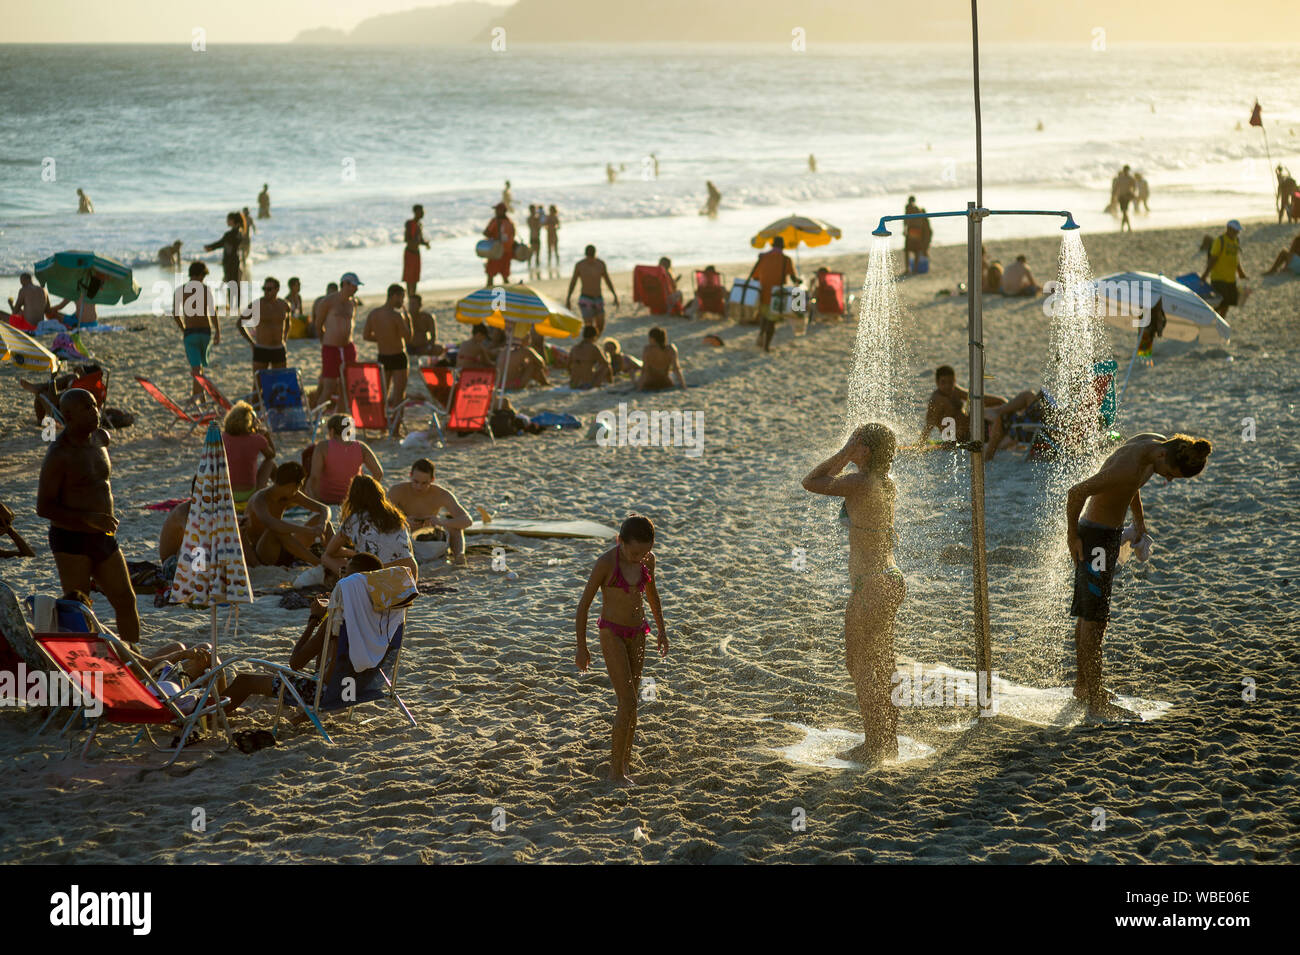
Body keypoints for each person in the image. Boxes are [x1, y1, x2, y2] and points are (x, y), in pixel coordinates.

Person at [1065, 433, 1212, 720]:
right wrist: (1072, 536)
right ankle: (1095, 699)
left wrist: (1138, 520)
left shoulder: (1152, 445)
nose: (1168, 480)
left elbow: (1131, 487)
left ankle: (1083, 687)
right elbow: (1076, 492)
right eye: (1170, 474)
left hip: (1105, 536)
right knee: (1094, 621)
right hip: (1094, 538)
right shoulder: (1129, 466)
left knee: (1091, 616)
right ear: (1162, 458)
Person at [802, 424, 905, 763]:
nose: (849, 443)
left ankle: (874, 745)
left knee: (859, 662)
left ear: (866, 450)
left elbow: (811, 481)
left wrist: (843, 454)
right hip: (889, 579)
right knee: (883, 662)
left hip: (871, 584)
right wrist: (851, 453)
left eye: (856, 441)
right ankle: (887, 742)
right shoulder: (886, 482)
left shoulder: (860, 483)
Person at [220, 552, 383, 715]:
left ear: (352, 582)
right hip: (354, 690)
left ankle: (210, 716)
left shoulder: (339, 620)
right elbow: (326, 663)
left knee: (244, 681)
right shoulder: (382, 618)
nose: (340, 575)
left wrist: (314, 620)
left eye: (344, 572)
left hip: (324, 694)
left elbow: (296, 663)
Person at [36, 389, 139, 644]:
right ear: (69, 416)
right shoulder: (59, 453)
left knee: (126, 600)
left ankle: (133, 662)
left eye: (94, 405)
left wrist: (98, 522)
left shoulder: (100, 438)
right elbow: (43, 507)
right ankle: (86, 669)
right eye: (87, 408)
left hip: (103, 535)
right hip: (71, 539)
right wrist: (89, 519)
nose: (95, 411)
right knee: (80, 610)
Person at [574, 515, 668, 785]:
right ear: (620, 541)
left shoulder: (647, 560)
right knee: (626, 701)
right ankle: (615, 772)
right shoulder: (606, 563)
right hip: (611, 633)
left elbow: (652, 593)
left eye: (645, 552)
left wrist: (661, 630)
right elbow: (583, 607)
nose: (639, 558)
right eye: (634, 552)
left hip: (639, 633)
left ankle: (625, 764)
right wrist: (582, 648)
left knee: (633, 703)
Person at [321, 475, 416, 581]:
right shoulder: (395, 515)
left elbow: (330, 551)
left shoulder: (354, 520)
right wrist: (354, 553)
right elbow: (408, 550)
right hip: (410, 575)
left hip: (379, 579)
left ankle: (344, 578)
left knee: (325, 558)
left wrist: (350, 553)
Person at [245, 462, 332, 567]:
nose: (298, 490)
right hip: (264, 553)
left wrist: (321, 525)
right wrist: (309, 530)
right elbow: (272, 524)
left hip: (286, 548)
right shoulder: (260, 500)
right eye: (298, 487)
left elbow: (324, 508)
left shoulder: (291, 494)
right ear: (292, 486)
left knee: (322, 521)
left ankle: (335, 556)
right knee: (276, 530)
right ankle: (321, 564)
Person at [388, 459, 473, 560]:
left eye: (424, 483)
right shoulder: (397, 490)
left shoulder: (441, 494)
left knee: (455, 528)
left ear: (432, 480)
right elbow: (380, 516)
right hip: (404, 535)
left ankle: (459, 556)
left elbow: (467, 521)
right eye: (415, 481)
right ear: (410, 475)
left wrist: (441, 522)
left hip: (430, 536)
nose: (419, 487)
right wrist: (403, 521)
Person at [919, 365, 1008, 445]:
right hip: (963, 438)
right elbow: (929, 424)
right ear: (937, 383)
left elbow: (974, 398)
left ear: (955, 381)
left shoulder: (954, 390)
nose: (947, 386)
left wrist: (999, 401)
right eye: (943, 382)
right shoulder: (936, 400)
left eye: (950, 382)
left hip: (973, 429)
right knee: (999, 421)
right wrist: (920, 444)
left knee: (999, 405)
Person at [307, 413, 384, 506]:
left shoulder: (323, 447)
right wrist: (365, 493)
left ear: (332, 431)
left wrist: (316, 500)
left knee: (307, 483)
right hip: (353, 499)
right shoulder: (361, 447)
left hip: (326, 499)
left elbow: (315, 477)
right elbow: (378, 473)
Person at [313, 272, 363, 412]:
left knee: (346, 385)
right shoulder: (328, 301)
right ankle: (317, 418)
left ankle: (340, 415)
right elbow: (318, 324)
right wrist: (324, 340)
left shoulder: (353, 302)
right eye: (354, 286)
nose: (356, 289)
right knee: (329, 385)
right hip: (331, 347)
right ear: (345, 284)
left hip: (348, 346)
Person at [172, 261, 220, 404]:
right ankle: (199, 396)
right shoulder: (206, 290)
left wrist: (183, 328)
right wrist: (218, 331)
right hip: (206, 332)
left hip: (191, 332)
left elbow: (175, 313)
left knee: (196, 367)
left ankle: (197, 396)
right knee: (198, 367)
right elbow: (213, 312)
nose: (203, 279)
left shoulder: (180, 290)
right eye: (203, 276)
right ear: (199, 275)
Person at [363, 284, 414, 412]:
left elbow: (366, 336)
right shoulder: (396, 316)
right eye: (402, 298)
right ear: (394, 296)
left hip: (383, 357)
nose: (402, 302)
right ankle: (395, 429)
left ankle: (383, 426)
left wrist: (382, 338)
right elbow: (408, 338)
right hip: (398, 356)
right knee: (398, 396)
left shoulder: (373, 314)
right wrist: (409, 321)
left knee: (382, 395)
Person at [221, 401, 276, 511]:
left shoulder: (223, 437)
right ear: (250, 422)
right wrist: (266, 435)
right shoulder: (257, 439)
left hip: (226, 493)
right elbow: (271, 455)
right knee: (270, 464)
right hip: (250, 495)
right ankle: (285, 490)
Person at [748, 236, 799, 352]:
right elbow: (792, 277)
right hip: (776, 295)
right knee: (771, 321)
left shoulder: (763, 257)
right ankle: (766, 346)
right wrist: (798, 281)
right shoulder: (786, 259)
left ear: (772, 245)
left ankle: (761, 336)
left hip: (762, 293)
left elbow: (755, 277)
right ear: (783, 246)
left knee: (764, 317)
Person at [239, 276, 290, 374]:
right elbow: (240, 323)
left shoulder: (284, 305)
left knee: (280, 380)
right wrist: (251, 342)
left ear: (277, 289)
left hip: (278, 348)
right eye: (264, 289)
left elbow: (288, 322)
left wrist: (285, 336)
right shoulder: (256, 305)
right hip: (262, 348)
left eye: (269, 289)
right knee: (258, 382)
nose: (266, 292)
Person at [566, 245, 619, 336]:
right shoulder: (580, 265)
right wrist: (568, 298)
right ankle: (590, 343)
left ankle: (594, 340)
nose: (590, 260)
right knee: (589, 326)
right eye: (588, 257)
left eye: (592, 257)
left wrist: (614, 295)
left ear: (595, 254)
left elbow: (607, 280)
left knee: (601, 325)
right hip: (585, 298)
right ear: (585, 255)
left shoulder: (600, 264)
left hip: (598, 298)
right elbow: (573, 282)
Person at [1201, 220, 1247, 318]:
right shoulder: (1220, 241)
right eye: (1235, 231)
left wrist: (1240, 272)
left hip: (1231, 279)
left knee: (1227, 304)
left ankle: (1221, 322)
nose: (1237, 233)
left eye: (1238, 231)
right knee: (1219, 304)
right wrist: (1205, 274)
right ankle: (1213, 321)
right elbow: (1213, 259)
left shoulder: (1236, 240)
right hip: (1219, 278)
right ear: (1229, 229)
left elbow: (1235, 258)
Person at [204, 211, 245, 314]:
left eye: (228, 219)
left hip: (230, 261)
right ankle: (235, 306)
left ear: (232, 220)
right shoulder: (238, 232)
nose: (227, 221)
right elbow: (223, 243)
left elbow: (221, 243)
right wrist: (211, 247)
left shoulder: (232, 234)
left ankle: (233, 307)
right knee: (234, 284)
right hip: (234, 260)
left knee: (232, 283)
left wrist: (210, 247)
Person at [495, 326, 551, 391]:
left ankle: (544, 382)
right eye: (529, 339)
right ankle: (545, 383)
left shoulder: (505, 350)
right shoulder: (526, 351)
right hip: (513, 385)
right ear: (526, 340)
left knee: (527, 364)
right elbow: (541, 363)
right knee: (532, 365)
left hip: (499, 385)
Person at [568, 324, 612, 389]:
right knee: (607, 366)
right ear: (594, 336)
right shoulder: (593, 348)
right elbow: (605, 363)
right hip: (586, 384)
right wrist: (608, 357)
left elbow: (568, 365)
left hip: (573, 384)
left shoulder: (575, 348)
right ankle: (611, 383)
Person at [483, 203, 515, 286]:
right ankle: (508, 294)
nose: (495, 212)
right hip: (507, 252)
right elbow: (513, 235)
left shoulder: (495, 221)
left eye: (497, 210)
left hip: (496, 252)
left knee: (490, 275)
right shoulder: (510, 222)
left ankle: (488, 294)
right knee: (505, 276)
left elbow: (486, 232)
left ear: (502, 211)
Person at [403, 204, 429, 300]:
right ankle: (410, 296)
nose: (422, 213)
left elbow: (419, 239)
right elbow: (407, 239)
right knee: (409, 277)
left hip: (416, 252)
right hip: (410, 252)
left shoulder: (419, 224)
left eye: (423, 211)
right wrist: (416, 241)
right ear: (415, 212)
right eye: (420, 211)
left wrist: (425, 243)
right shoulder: (410, 223)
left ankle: (413, 296)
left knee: (415, 277)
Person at [1110, 165, 1136, 232]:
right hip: (1120, 196)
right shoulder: (1120, 178)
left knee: (1124, 211)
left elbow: (1134, 187)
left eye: (1127, 170)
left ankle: (1125, 227)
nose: (1126, 171)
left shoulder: (1130, 178)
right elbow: (1115, 187)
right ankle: (1127, 227)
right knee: (1124, 212)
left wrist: (1133, 194)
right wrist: (1113, 195)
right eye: (1125, 170)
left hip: (1127, 196)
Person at [526, 205, 543, 276]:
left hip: (537, 238)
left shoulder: (537, 218)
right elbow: (531, 225)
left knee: (538, 254)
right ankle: (529, 268)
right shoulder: (530, 218)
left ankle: (537, 268)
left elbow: (539, 226)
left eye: (533, 210)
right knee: (531, 254)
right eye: (531, 210)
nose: (532, 211)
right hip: (532, 238)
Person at [240, 207, 256, 276]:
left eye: (247, 211)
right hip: (242, 237)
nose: (246, 212)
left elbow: (253, 225)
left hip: (248, 237)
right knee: (243, 250)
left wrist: (255, 230)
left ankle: (244, 260)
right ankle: (243, 262)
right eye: (246, 211)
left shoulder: (250, 218)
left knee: (248, 250)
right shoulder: (241, 218)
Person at [545, 204, 560, 271]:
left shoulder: (555, 217)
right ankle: (549, 265)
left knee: (556, 251)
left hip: (554, 235)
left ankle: (557, 264)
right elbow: (545, 225)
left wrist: (554, 227)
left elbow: (558, 226)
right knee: (549, 251)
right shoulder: (548, 217)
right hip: (549, 235)